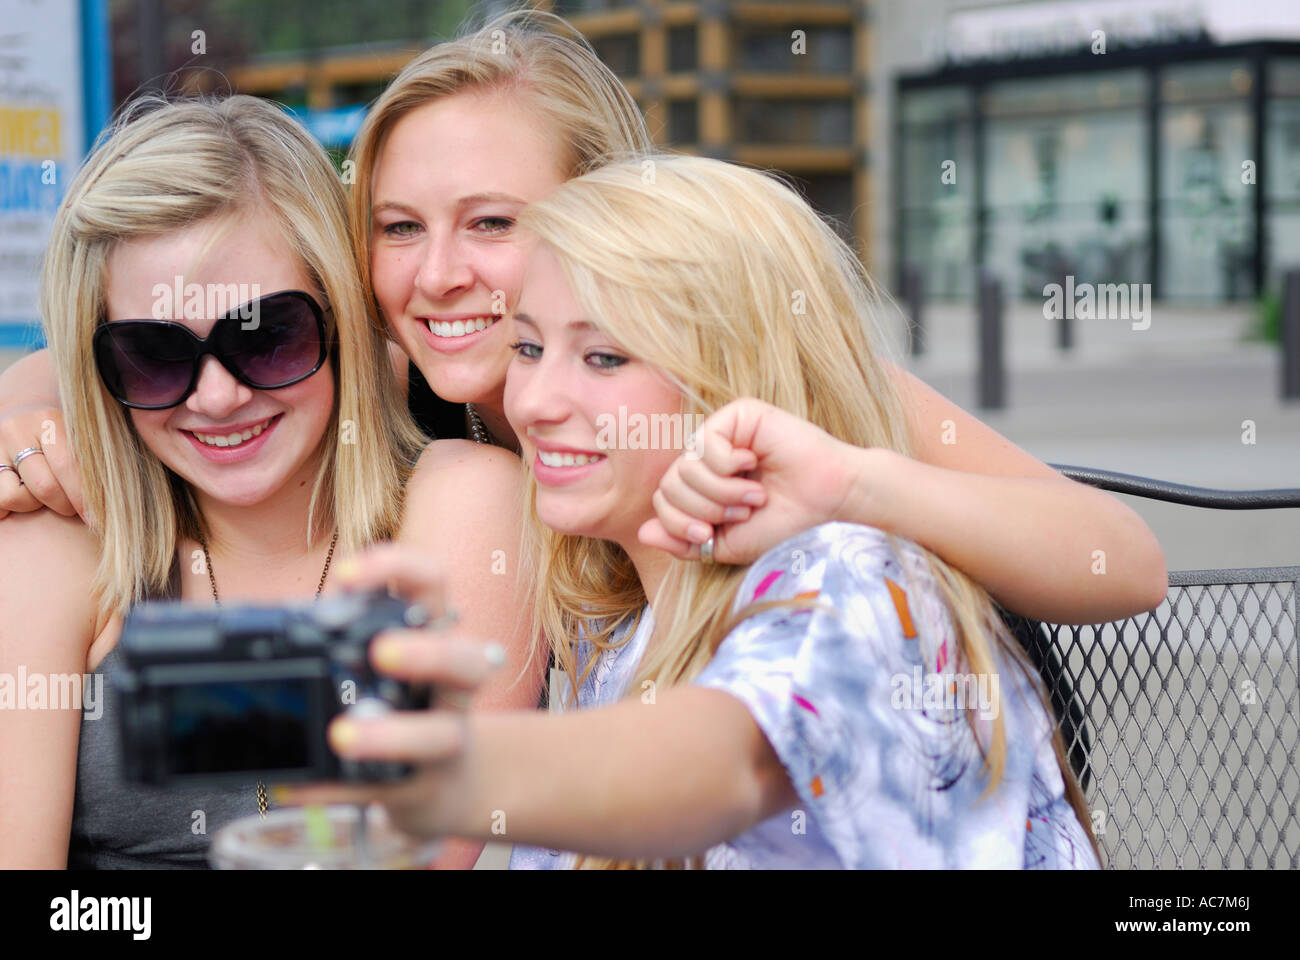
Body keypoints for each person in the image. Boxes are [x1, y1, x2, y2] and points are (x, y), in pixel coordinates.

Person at [0, 9, 1166, 633]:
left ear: (601, 218)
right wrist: (32, 440)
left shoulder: (726, 370)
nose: (441, 274)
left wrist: (855, 480)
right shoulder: (352, 343)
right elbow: (118, 351)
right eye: (398, 227)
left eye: (493, 222)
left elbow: (1122, 561)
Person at [276, 155, 1104, 869]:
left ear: (735, 382)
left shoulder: (849, 582)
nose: (535, 400)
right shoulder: (630, 626)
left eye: (604, 355)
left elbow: (720, 765)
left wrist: (439, 767)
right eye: (527, 347)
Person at [0, 94, 537, 868]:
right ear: (99, 364)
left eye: (268, 337)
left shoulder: (466, 503)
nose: (217, 397)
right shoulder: (56, 535)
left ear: (340, 315)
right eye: (154, 355)